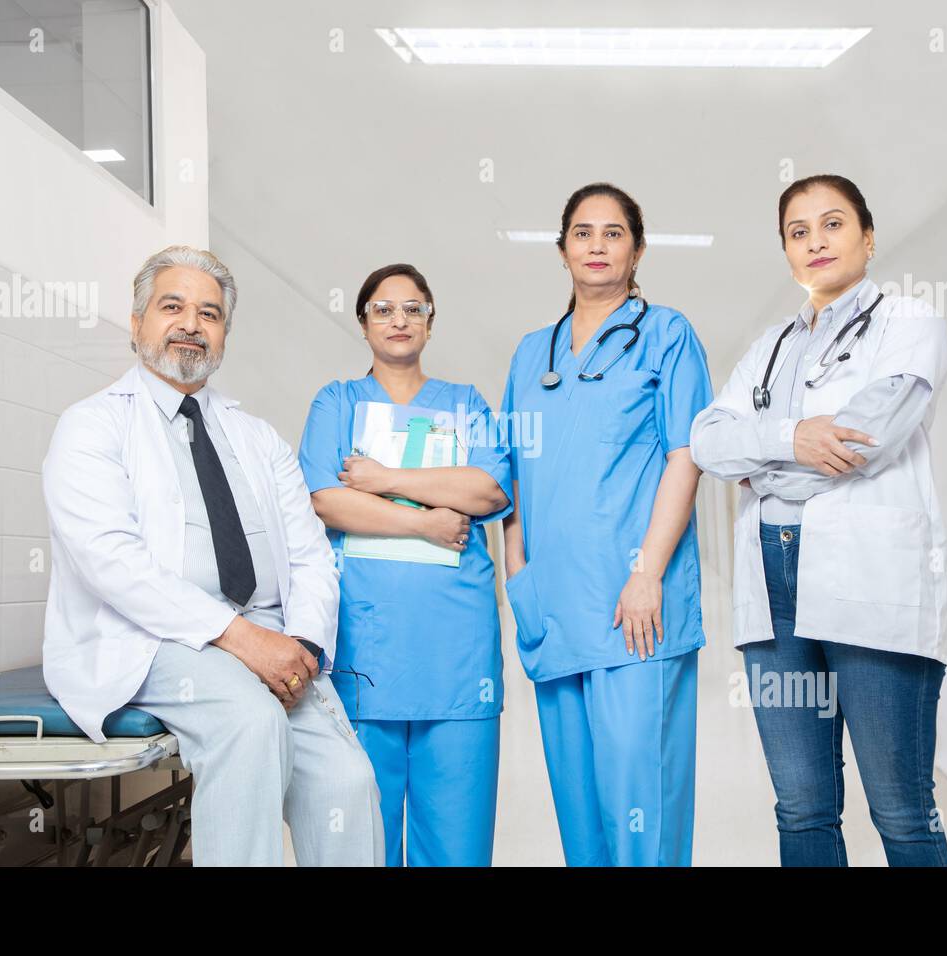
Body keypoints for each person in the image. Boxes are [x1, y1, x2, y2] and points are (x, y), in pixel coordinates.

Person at [42, 245, 384, 866]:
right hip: (157, 641)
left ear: (224, 332)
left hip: (274, 642)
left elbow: (310, 556)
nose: (192, 324)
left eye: (210, 313)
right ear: (138, 320)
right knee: (250, 726)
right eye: (172, 306)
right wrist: (239, 638)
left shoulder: (255, 436)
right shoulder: (92, 426)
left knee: (347, 782)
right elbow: (109, 561)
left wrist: (302, 646)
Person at [690, 174, 947, 866]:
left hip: (868, 581)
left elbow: (866, 439)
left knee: (900, 805)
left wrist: (763, 456)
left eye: (832, 224)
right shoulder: (771, 344)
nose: (815, 242)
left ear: (867, 237)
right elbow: (709, 440)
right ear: (786, 251)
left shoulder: (909, 323)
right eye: (797, 232)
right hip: (773, 588)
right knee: (802, 808)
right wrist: (792, 439)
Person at [500, 183, 713, 866]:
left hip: (633, 610)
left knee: (639, 807)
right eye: (583, 232)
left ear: (638, 249)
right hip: (554, 611)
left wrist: (646, 573)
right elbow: (512, 481)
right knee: (581, 817)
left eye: (613, 232)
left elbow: (686, 457)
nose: (597, 245)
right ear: (562, 249)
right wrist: (519, 581)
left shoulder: (667, 335)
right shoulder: (532, 353)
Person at [298, 264, 512, 866]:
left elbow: (489, 491)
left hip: (456, 651)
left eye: (413, 308)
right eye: (384, 309)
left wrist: (385, 480)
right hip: (369, 643)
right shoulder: (336, 402)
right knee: (364, 835)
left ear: (430, 320)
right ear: (363, 321)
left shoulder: (466, 403)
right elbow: (325, 500)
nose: (399, 320)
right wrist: (427, 519)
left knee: (459, 838)